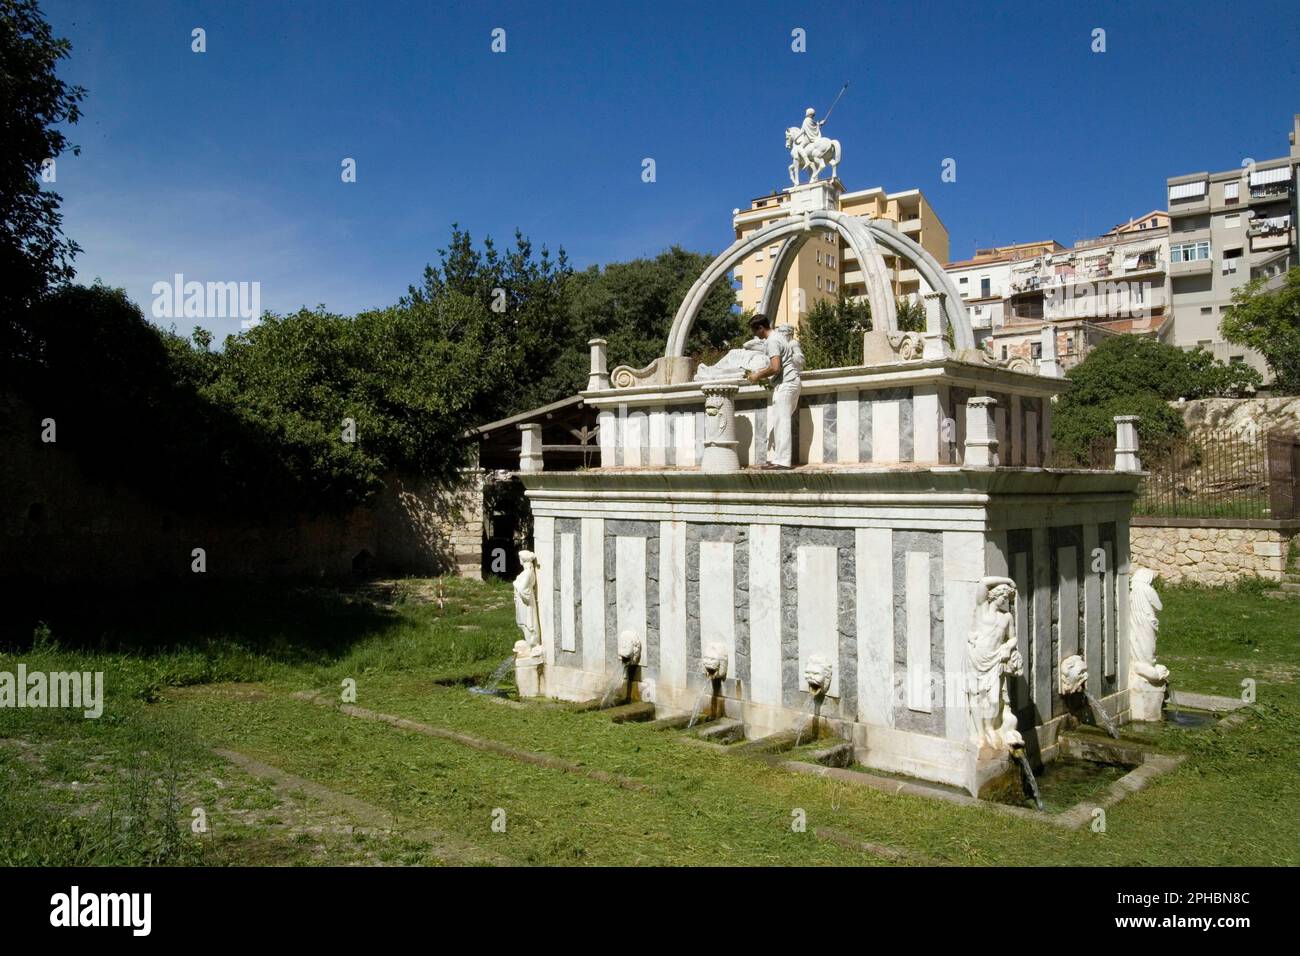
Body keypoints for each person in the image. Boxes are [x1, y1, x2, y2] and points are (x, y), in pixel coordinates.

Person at [746, 314, 802, 468]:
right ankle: (779, 459)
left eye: (755, 331)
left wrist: (757, 375)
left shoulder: (772, 341)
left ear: (761, 328)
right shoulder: (779, 337)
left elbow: (775, 367)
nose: (755, 335)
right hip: (791, 382)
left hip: (786, 384)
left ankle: (783, 461)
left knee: (781, 422)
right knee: (780, 421)